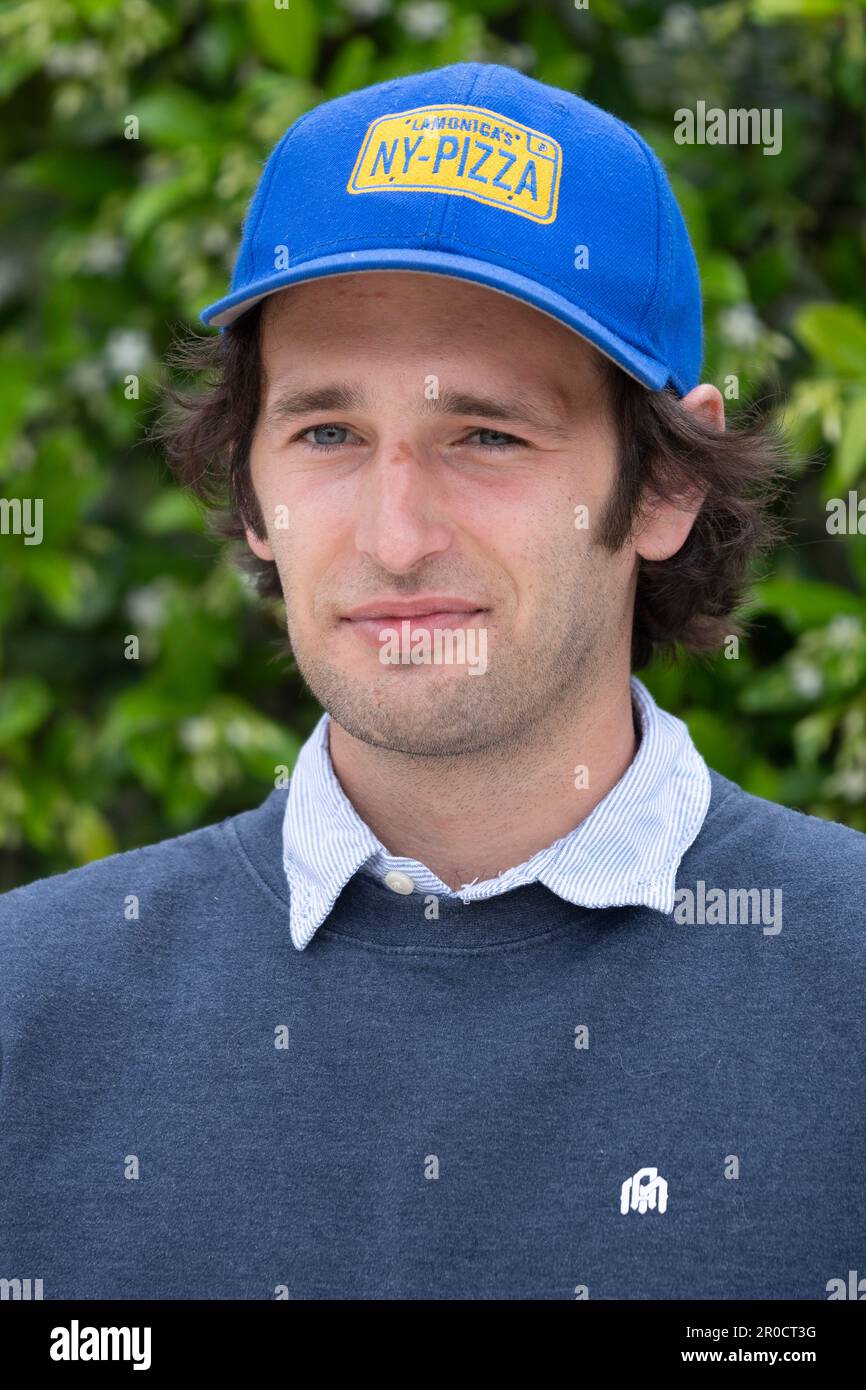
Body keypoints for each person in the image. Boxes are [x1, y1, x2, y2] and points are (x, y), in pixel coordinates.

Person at [1, 62, 863, 1302]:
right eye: (329, 434)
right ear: (251, 491)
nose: (395, 535)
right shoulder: (27, 1009)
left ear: (666, 482)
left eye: (487, 435)